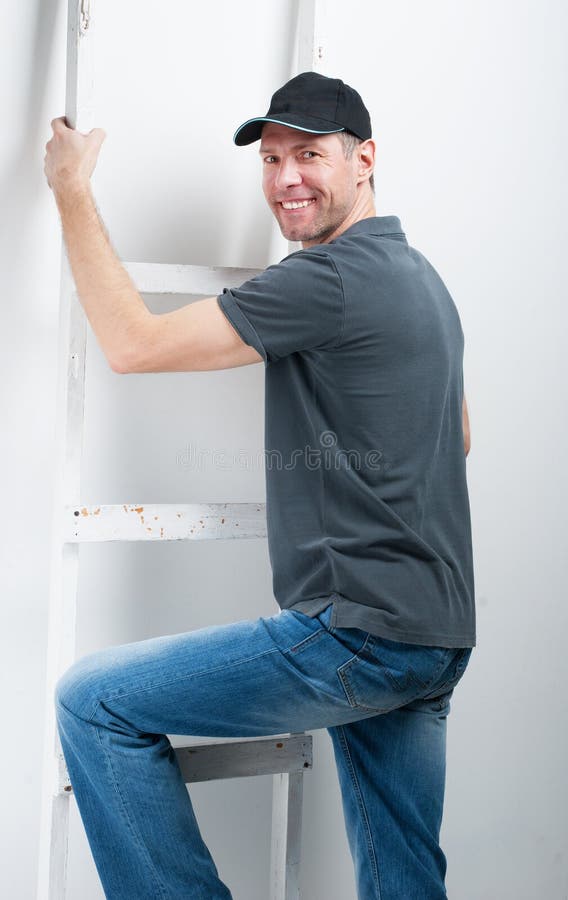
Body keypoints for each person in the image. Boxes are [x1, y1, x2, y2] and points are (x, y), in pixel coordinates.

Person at [45, 71, 475, 899]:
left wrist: (70, 190)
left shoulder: (329, 279)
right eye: (272, 159)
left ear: (366, 160)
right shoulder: (424, 281)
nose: (287, 180)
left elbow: (132, 345)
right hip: (434, 634)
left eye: (309, 154)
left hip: (359, 632)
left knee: (92, 704)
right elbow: (457, 434)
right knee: (403, 878)